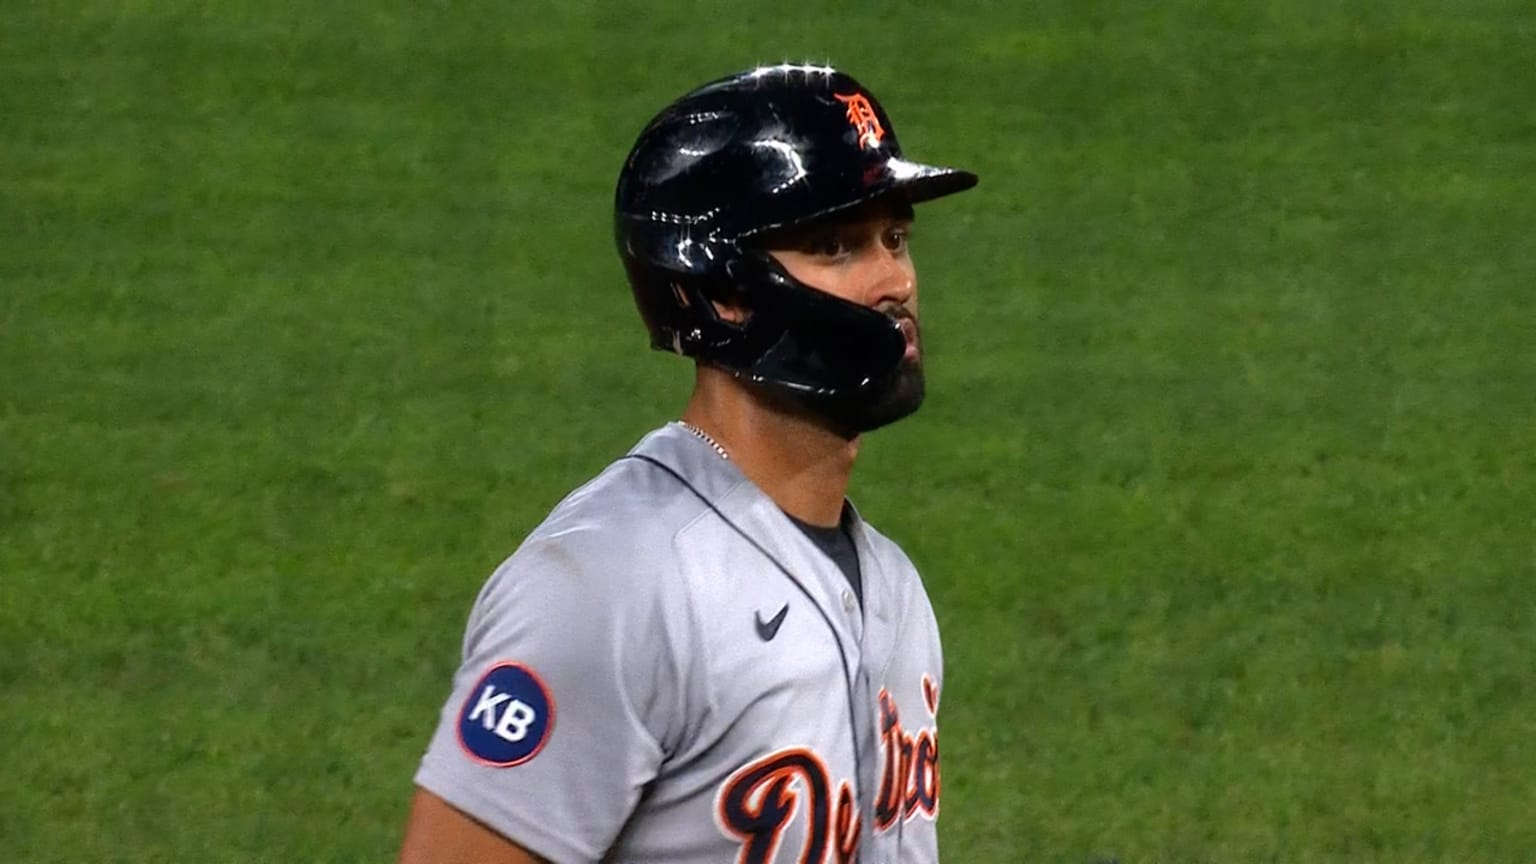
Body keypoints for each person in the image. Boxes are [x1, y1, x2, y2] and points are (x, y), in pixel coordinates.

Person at [397, 62, 978, 864]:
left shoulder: (892, 587)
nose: (896, 281)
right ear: (725, 289)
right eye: (835, 245)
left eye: (895, 237)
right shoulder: (612, 587)